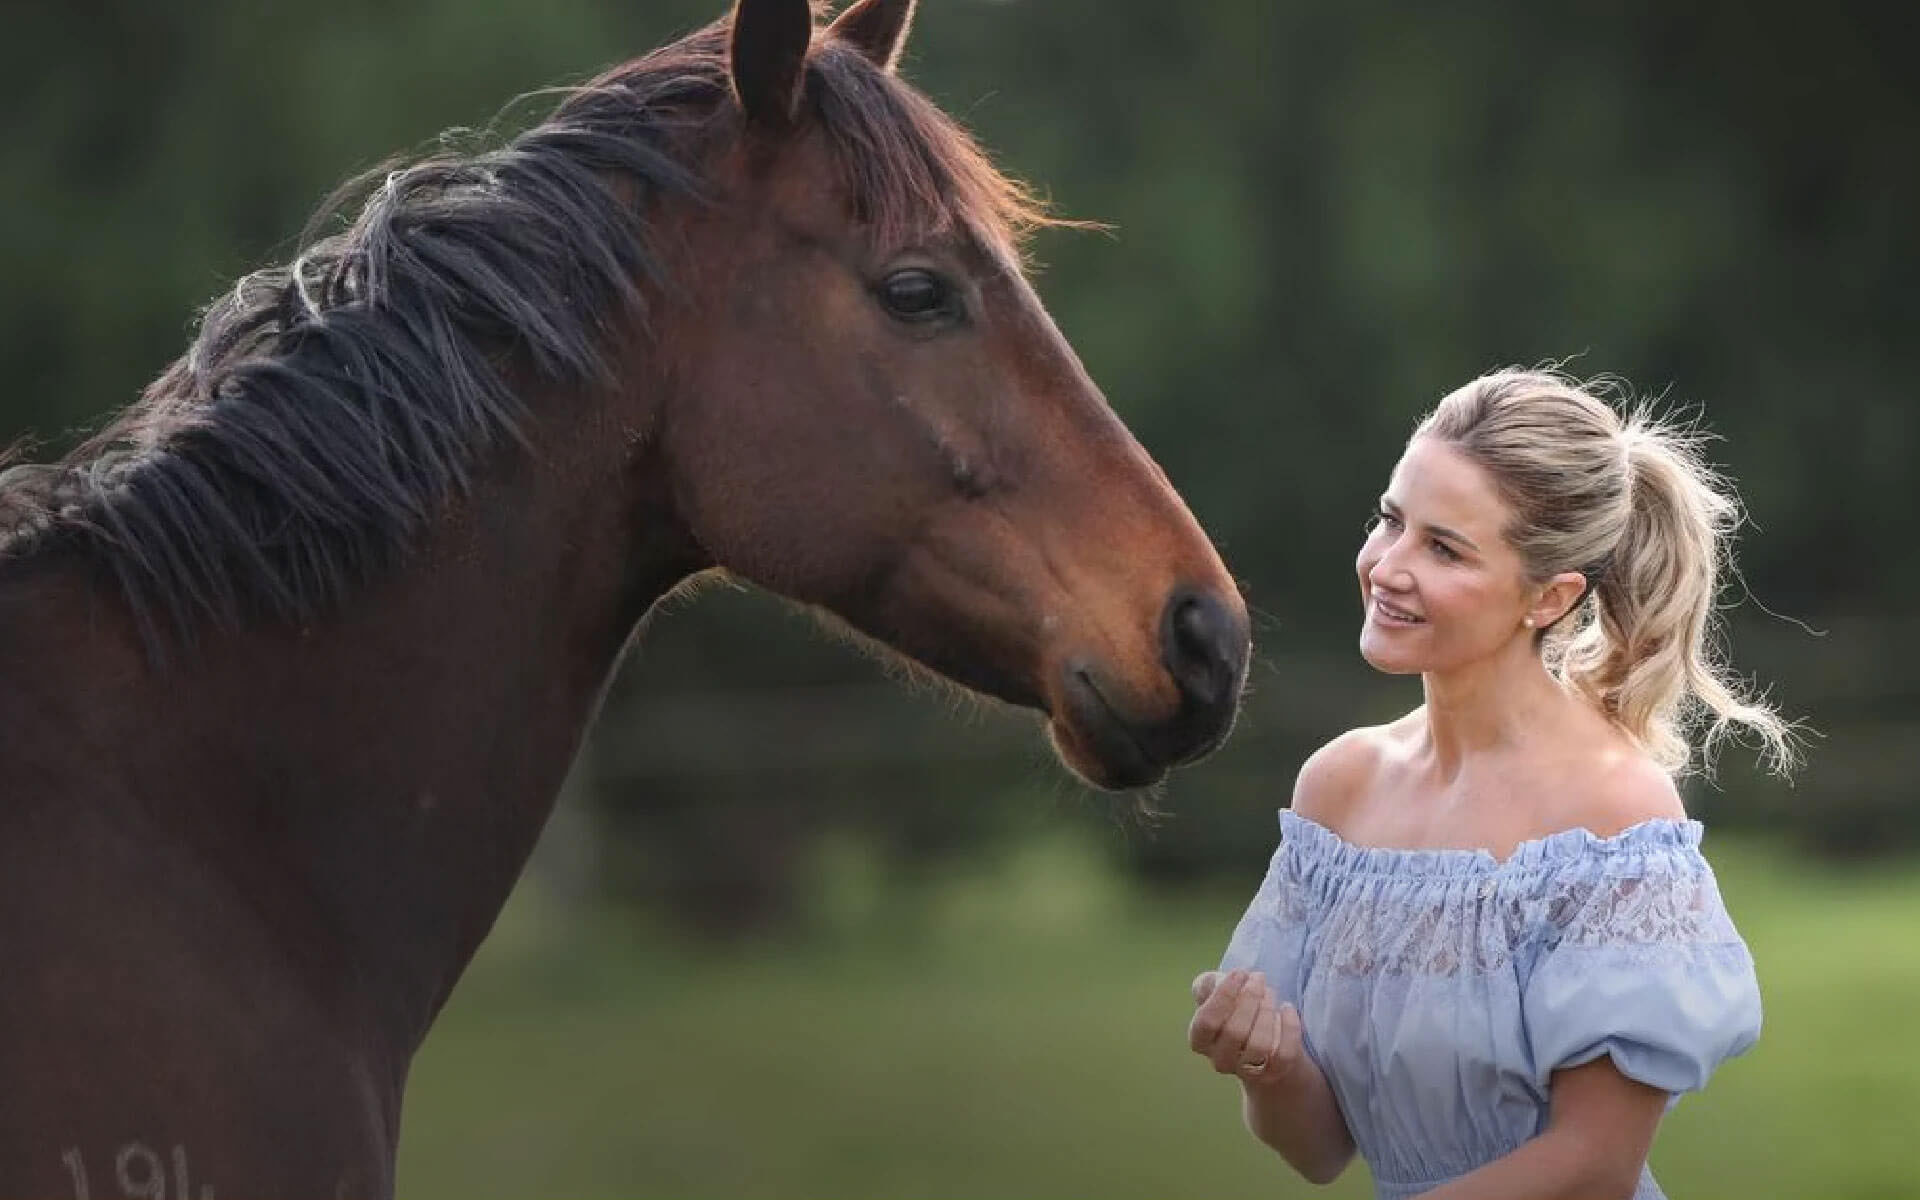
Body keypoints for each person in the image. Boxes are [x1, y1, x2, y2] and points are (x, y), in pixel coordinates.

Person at [1188, 368, 1798, 1200]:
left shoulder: (1614, 814)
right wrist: (1266, 1059)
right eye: (1391, 520)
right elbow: (1322, 1149)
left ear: (1548, 597)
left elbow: (1594, 1166)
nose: (1388, 566)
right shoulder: (1338, 788)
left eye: (1444, 548)